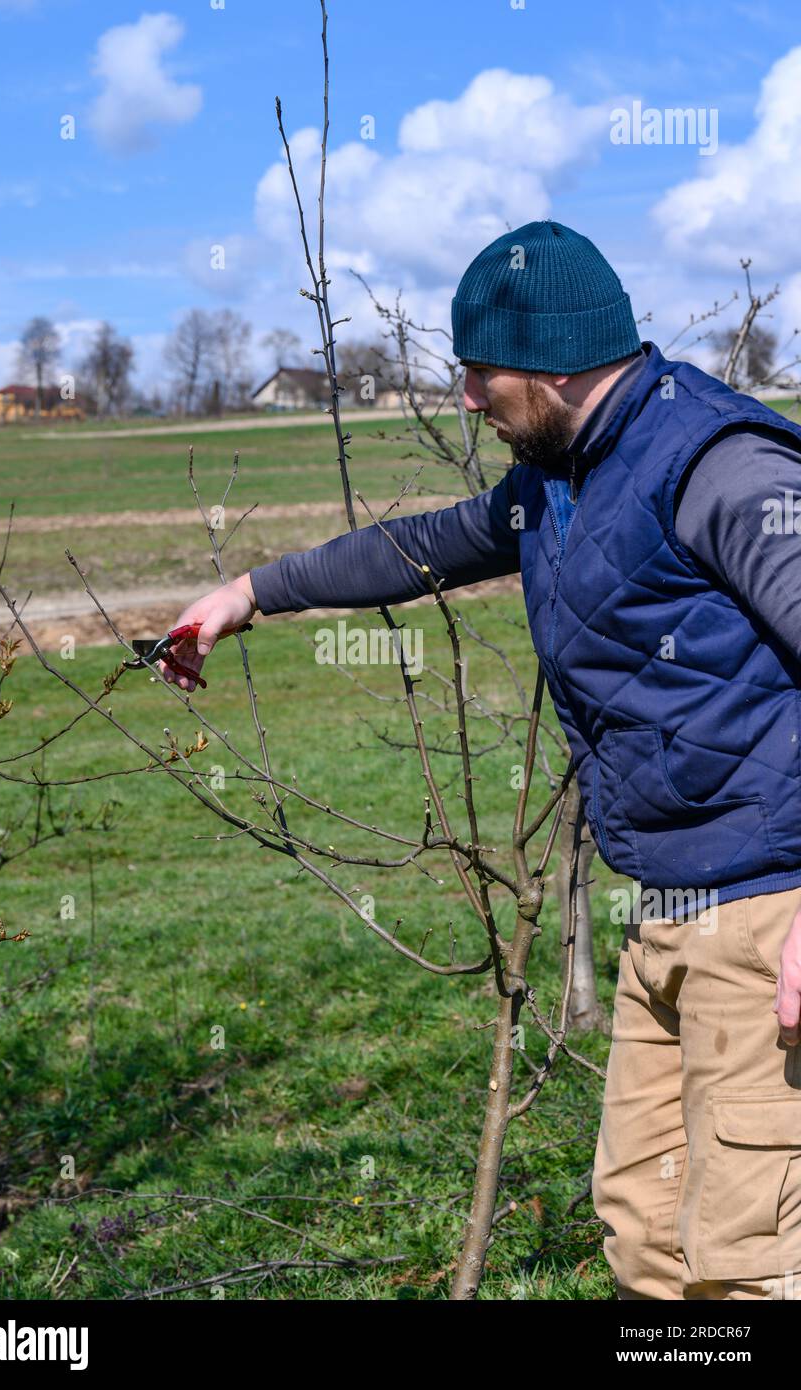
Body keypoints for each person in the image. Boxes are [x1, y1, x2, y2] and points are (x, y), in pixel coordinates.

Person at [163, 220, 801, 1300]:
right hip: (667, 910)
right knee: (646, 1235)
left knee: (751, 1260)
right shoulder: (558, 477)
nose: (466, 398)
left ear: (550, 361)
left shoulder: (721, 466)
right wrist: (247, 595)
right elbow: (417, 546)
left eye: (477, 373)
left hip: (770, 912)